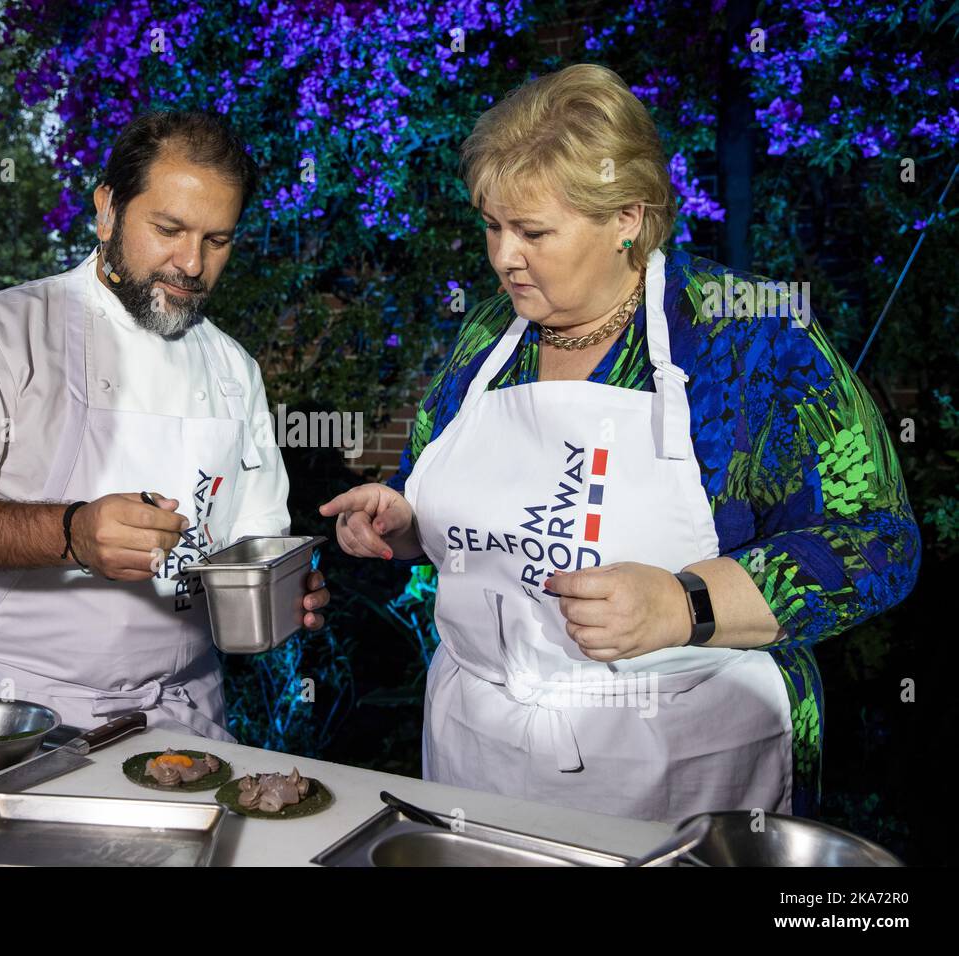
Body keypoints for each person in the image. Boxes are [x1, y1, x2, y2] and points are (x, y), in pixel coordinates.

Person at [320, 64, 919, 822]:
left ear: (628, 218)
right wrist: (402, 523)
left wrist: (684, 603)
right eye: (492, 225)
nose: (503, 256)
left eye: (533, 232)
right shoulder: (486, 336)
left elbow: (879, 544)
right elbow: (447, 501)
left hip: (684, 767)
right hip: (481, 758)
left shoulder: (749, 337)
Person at [0, 110, 328, 739]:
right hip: (10, 716)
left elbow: (250, 550)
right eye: (168, 229)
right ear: (108, 209)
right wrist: (71, 532)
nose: (192, 264)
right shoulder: (0, 331)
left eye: (217, 240)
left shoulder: (234, 369)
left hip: (181, 719)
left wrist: (281, 591)